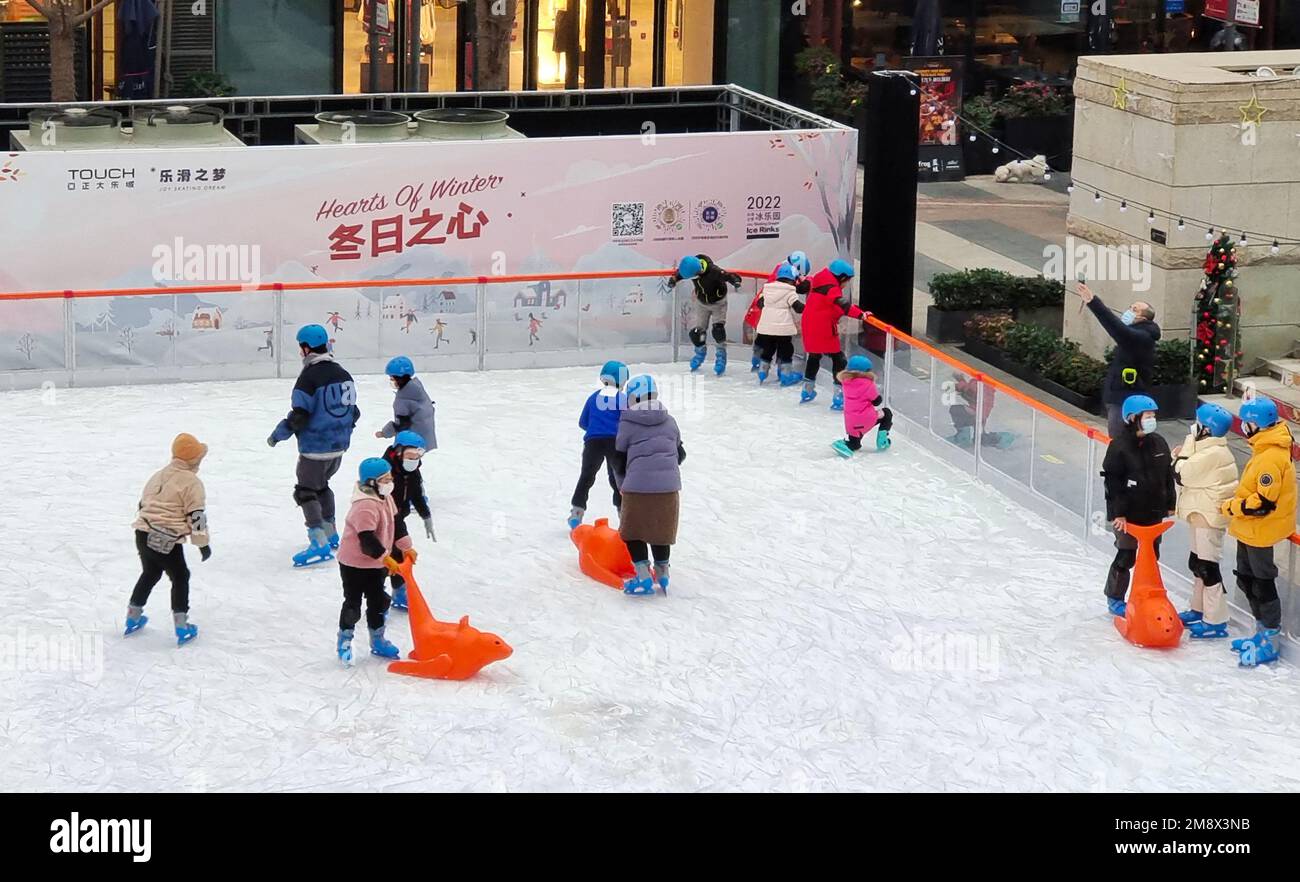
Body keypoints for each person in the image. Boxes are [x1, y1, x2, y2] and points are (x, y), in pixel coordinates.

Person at [268, 324, 361, 567]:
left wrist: (278, 435)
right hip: (339, 448)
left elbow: (300, 416)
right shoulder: (344, 374)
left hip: (314, 448)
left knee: (306, 491)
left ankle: (318, 541)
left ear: (306, 347)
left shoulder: (308, 378)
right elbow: (354, 412)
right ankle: (331, 534)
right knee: (323, 487)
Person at [1220, 397, 1296, 666]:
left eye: (1246, 423)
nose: (1243, 428)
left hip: (1260, 531)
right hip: (1248, 529)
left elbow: (1262, 503)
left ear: (1256, 424)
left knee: (1262, 583)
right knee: (1246, 578)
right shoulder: (1263, 449)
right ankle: (1260, 632)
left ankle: (1271, 639)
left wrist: (1231, 507)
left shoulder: (1271, 457)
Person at [126, 433, 211, 646]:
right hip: (165, 537)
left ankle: (133, 615)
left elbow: (143, 502)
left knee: (150, 572)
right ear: (194, 460)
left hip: (143, 532)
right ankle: (182, 626)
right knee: (180, 576)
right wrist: (202, 543)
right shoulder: (192, 482)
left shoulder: (159, 475)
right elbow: (196, 516)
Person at [1100, 394, 1175, 616]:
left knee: (1152, 556)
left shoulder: (1159, 442)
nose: (1152, 419)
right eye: (1148, 415)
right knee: (1126, 555)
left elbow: (1167, 476)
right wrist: (1118, 514)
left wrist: (1170, 503)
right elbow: (1112, 484)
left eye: (1153, 415)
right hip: (1128, 514)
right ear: (1133, 418)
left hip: (1153, 512)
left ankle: (1145, 594)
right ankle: (1114, 596)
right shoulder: (1119, 447)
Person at [335, 457, 413, 667]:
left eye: (390, 477)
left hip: (376, 564)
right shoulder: (365, 506)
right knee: (353, 603)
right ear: (371, 482)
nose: (390, 481)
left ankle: (377, 639)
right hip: (354, 564)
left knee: (378, 601)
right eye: (384, 479)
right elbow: (367, 540)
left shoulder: (385, 497)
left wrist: (406, 546)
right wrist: (386, 557)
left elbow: (396, 522)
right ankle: (345, 640)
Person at [1171, 403, 1239, 639]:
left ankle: (1216, 620)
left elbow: (1180, 473)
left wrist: (1182, 453)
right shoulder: (1209, 450)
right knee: (1197, 563)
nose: (1193, 427)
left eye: (1198, 423)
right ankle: (1198, 608)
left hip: (1207, 517)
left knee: (1208, 567)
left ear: (1206, 430)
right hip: (1199, 513)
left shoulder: (1212, 454)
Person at [614, 375, 685, 596]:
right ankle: (663, 573)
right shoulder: (670, 420)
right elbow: (680, 453)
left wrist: (622, 482)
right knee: (660, 530)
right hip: (668, 489)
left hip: (637, 487)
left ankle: (643, 575)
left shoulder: (627, 422)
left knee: (632, 531)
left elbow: (619, 459)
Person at [1075, 283, 1161, 438]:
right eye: (1130, 307)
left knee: (1120, 441)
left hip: (1125, 401)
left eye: (1134, 309)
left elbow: (1117, 328)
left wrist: (1093, 302)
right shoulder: (1139, 334)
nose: (1129, 311)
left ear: (1142, 318)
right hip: (1120, 397)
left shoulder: (1141, 337)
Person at [799, 259, 868, 409]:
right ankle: (839, 396)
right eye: (847, 281)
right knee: (839, 360)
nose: (846, 284)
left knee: (814, 356)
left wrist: (856, 313)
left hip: (809, 324)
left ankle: (807, 390)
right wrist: (861, 315)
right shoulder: (831, 288)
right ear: (842, 277)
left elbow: (828, 307)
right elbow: (841, 304)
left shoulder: (819, 281)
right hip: (823, 328)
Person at [568, 360, 629, 529]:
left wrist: (596, 429)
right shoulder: (623, 399)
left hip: (593, 442)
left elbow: (583, 422)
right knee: (617, 478)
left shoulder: (593, 398)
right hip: (615, 443)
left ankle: (576, 512)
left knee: (586, 476)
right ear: (621, 381)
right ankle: (623, 513)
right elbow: (628, 422)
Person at [381, 430, 434, 612]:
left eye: (418, 455)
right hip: (381, 523)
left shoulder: (412, 471)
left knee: (398, 556)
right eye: (411, 455)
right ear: (398, 451)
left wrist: (425, 515)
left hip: (398, 518)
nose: (415, 459)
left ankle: (399, 591)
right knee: (381, 558)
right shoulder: (384, 473)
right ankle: (377, 596)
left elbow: (417, 494)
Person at [667, 254, 741, 375]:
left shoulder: (714, 271)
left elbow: (728, 276)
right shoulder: (692, 266)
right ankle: (700, 352)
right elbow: (680, 273)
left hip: (718, 303)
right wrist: (674, 279)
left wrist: (736, 281)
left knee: (718, 330)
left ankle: (721, 354)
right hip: (702, 303)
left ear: (698, 271)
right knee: (697, 332)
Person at [746, 250, 812, 370]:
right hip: (771, 313)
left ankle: (759, 363)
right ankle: (781, 370)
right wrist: (805, 285)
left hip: (765, 309)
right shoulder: (785, 275)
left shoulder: (782, 269)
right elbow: (791, 289)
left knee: (764, 338)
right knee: (781, 343)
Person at [752, 262, 806, 386]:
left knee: (768, 348)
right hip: (783, 328)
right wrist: (810, 308)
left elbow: (760, 304)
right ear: (793, 279)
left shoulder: (767, 289)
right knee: (786, 350)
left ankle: (762, 371)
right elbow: (798, 308)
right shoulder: (790, 291)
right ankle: (786, 374)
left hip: (766, 328)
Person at [831, 355, 893, 456]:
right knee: (887, 413)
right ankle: (882, 440)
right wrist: (879, 397)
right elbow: (876, 401)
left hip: (851, 422)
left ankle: (852, 444)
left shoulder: (845, 382)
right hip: (866, 418)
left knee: (855, 442)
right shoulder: (868, 384)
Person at [375, 355, 438, 453]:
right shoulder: (418, 390)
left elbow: (401, 425)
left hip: (409, 443)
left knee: (395, 460)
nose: (391, 381)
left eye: (392, 379)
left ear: (400, 378)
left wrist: (384, 433)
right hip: (425, 439)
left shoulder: (403, 400)